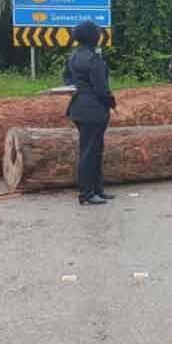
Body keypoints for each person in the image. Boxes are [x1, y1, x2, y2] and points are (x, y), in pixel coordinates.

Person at [63, 21, 117, 206]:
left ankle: (97, 189)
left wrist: (80, 88)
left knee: (94, 150)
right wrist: (112, 102)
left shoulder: (73, 57)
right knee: (90, 152)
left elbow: (67, 80)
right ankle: (86, 193)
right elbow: (102, 88)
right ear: (92, 37)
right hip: (94, 110)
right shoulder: (94, 59)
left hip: (78, 107)